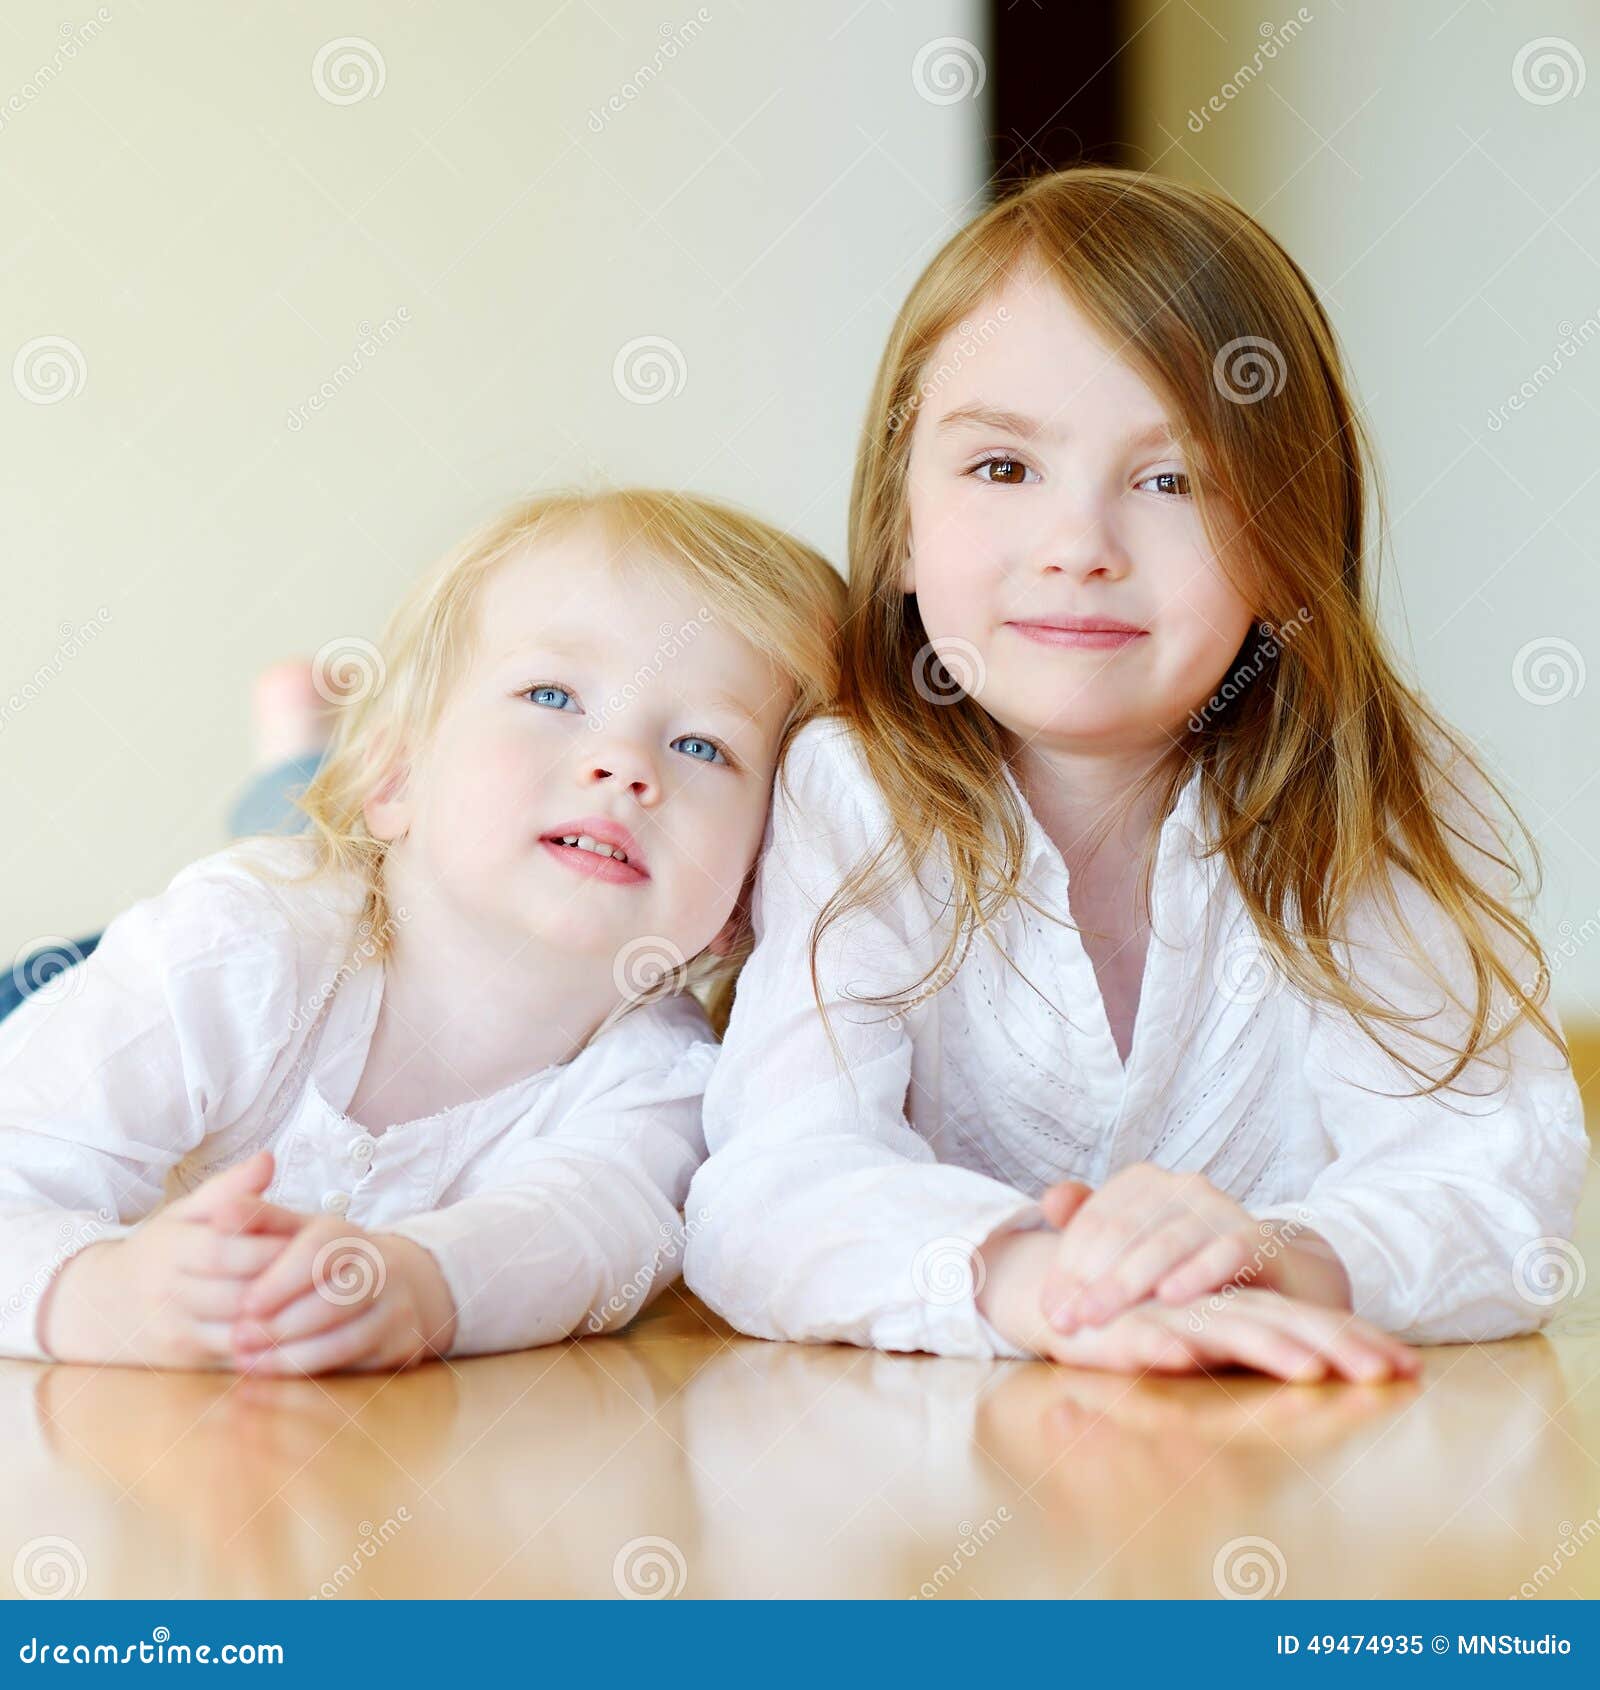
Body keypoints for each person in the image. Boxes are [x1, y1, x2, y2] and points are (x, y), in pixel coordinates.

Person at [682, 166, 1588, 1383]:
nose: (1078, 550)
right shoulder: (851, 792)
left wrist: (1277, 1258)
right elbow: (769, 1192)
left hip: (1306, 1469)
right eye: (1003, 467)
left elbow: (1500, 1194)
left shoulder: (1366, 791)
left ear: (1282, 543)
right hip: (942, 1486)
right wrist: (1037, 1283)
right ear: (899, 527)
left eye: (1173, 481)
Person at [0, 487, 844, 1374]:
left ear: (750, 891)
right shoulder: (233, 947)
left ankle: (300, 759)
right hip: (50, 996)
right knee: (292, 849)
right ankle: (299, 760)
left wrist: (422, 1286)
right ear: (399, 776)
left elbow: (588, 1234)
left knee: (325, 828)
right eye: (553, 694)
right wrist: (104, 1295)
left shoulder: (667, 1088)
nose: (625, 765)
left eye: (703, 746)